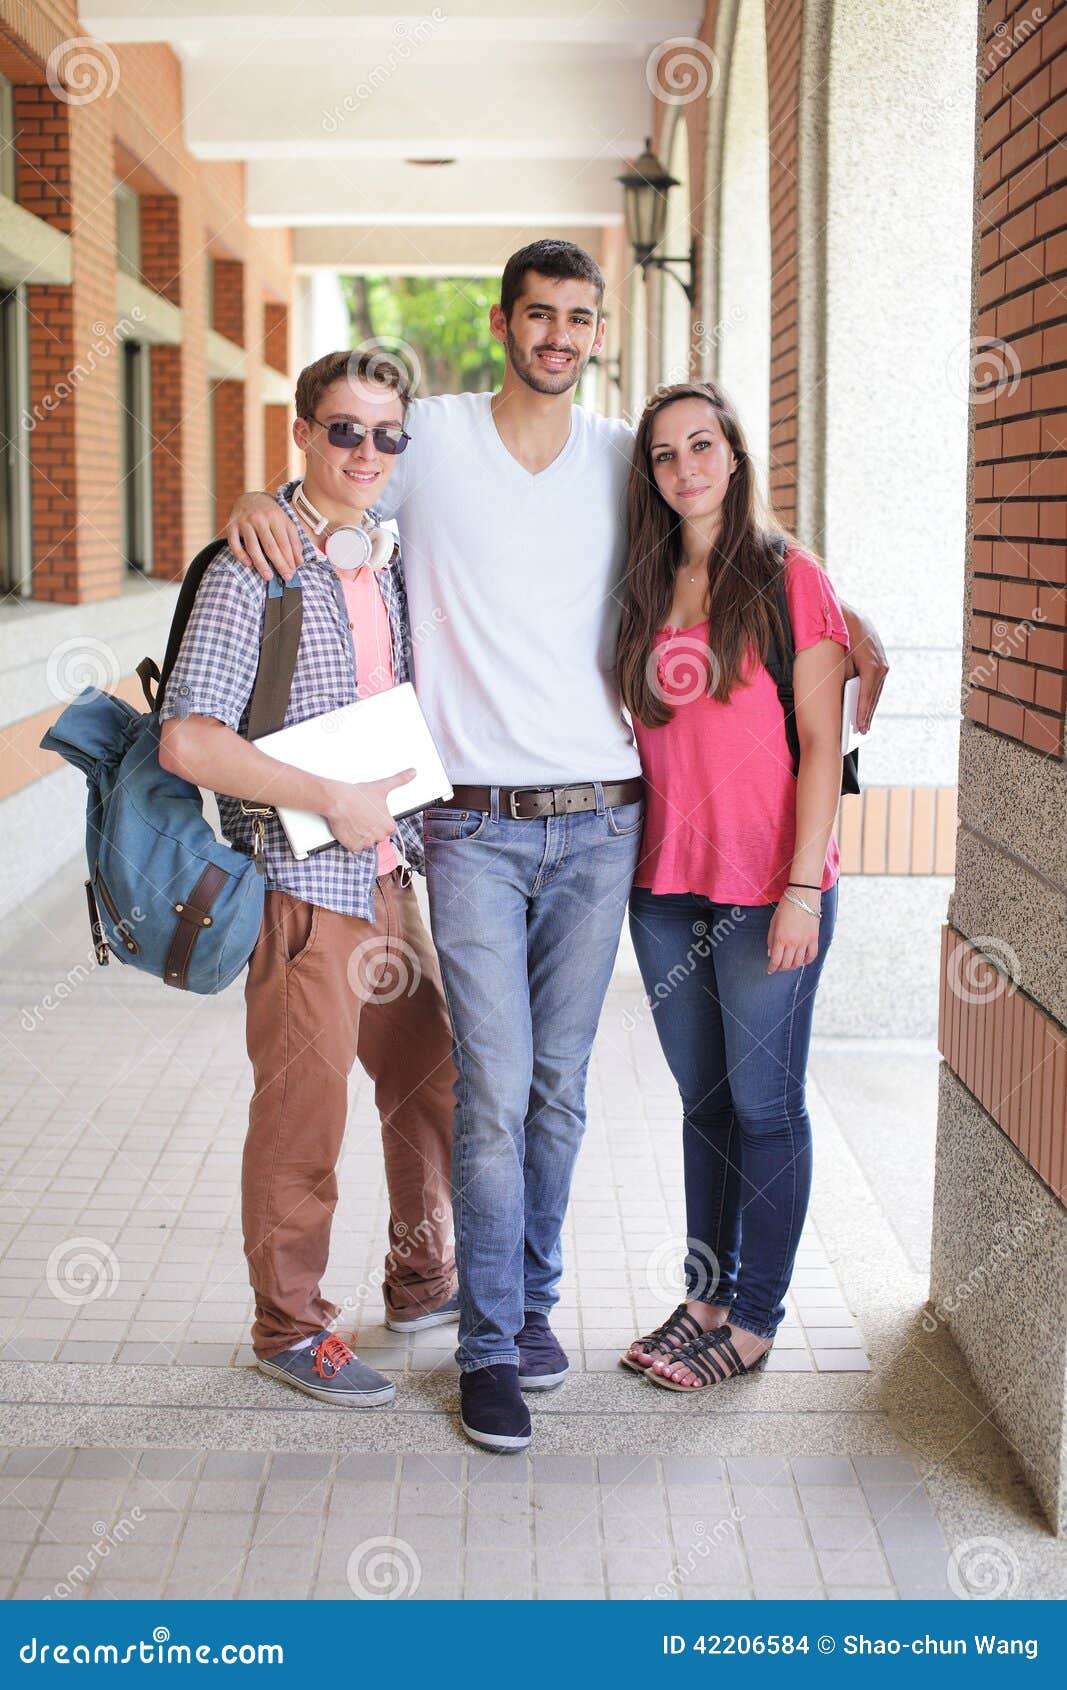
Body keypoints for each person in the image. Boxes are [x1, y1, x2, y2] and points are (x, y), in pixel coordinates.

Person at [224, 240, 888, 1451]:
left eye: (580, 318)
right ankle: (487, 1348)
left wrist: (840, 616)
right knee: (490, 1091)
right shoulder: (427, 443)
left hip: (603, 827)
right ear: (501, 322)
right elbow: (334, 481)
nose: (560, 335)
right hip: (472, 827)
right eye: (539, 315)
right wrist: (258, 511)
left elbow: (733, 545)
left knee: (558, 1091)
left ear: (594, 333)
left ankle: (532, 1306)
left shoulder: (621, 458)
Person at [157, 350, 458, 1407]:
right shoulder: (254, 566)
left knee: (430, 1088)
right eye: (343, 430)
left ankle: (422, 1281)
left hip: (388, 880)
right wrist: (330, 799)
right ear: (301, 433)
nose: (365, 453)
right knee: (303, 1115)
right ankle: (289, 1326)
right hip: (301, 894)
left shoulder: (384, 560)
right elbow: (188, 742)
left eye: (386, 435)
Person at [618, 381, 846, 1391]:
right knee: (702, 1101)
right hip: (665, 885)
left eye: (700, 445)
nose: (685, 468)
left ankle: (752, 1321)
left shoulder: (790, 578)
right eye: (664, 455)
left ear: (734, 453)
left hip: (766, 890)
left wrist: (802, 886)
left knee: (763, 1105)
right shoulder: (643, 581)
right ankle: (703, 1298)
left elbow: (817, 746)